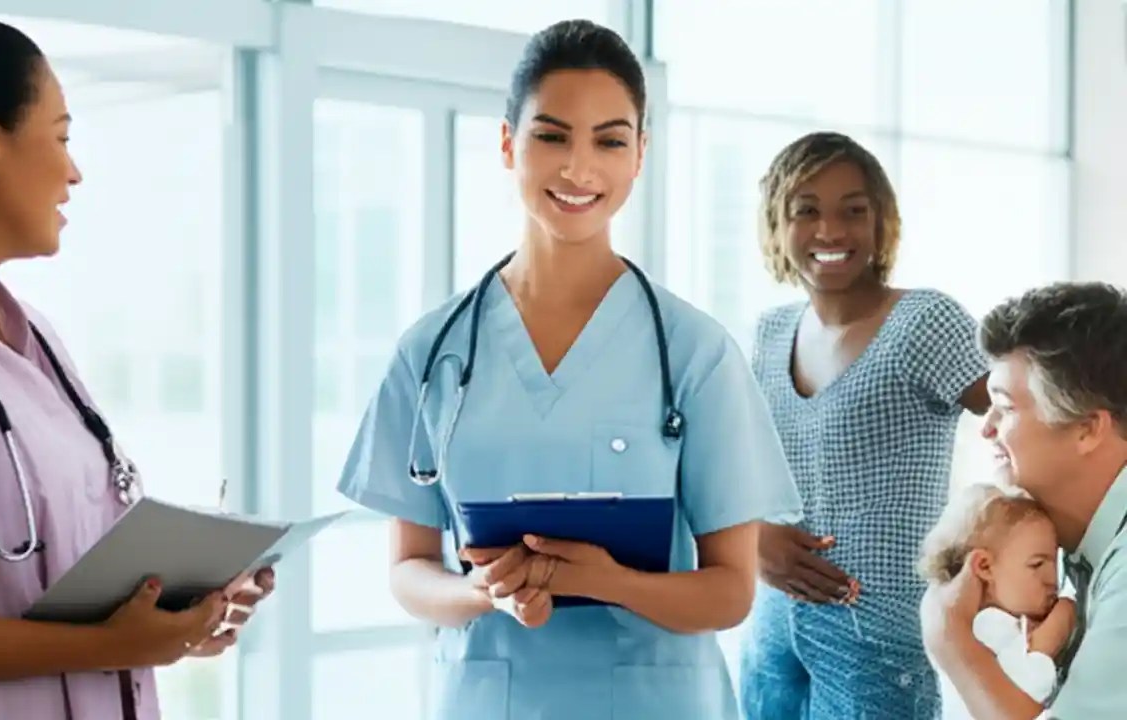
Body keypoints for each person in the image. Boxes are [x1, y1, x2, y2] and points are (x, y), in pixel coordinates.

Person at [335, 19, 801, 720]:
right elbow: (408, 571)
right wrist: (482, 593)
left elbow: (731, 592)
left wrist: (611, 581)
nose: (579, 169)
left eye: (609, 140)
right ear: (506, 143)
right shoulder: (432, 350)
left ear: (640, 154)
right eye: (551, 135)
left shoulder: (695, 352)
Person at [0, 15, 272, 720]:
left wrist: (175, 613)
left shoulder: (31, 338)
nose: (74, 171)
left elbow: (57, 588)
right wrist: (108, 646)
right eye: (62, 137)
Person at [739, 131, 992, 719]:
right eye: (807, 211)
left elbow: (1020, 416)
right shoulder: (770, 333)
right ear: (778, 224)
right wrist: (751, 538)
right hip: (772, 636)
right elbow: (735, 470)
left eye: (853, 211)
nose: (830, 231)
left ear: (882, 222)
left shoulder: (925, 321)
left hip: (877, 643)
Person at [922, 281, 1127, 719]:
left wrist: (955, 646)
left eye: (1005, 407)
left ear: (1088, 429)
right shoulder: (1067, 549)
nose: (986, 428)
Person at [918, 482, 1073, 704]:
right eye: (1037, 565)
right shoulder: (983, 626)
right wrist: (1046, 644)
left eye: (1053, 563)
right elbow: (1019, 694)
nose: (1052, 580)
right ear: (984, 566)